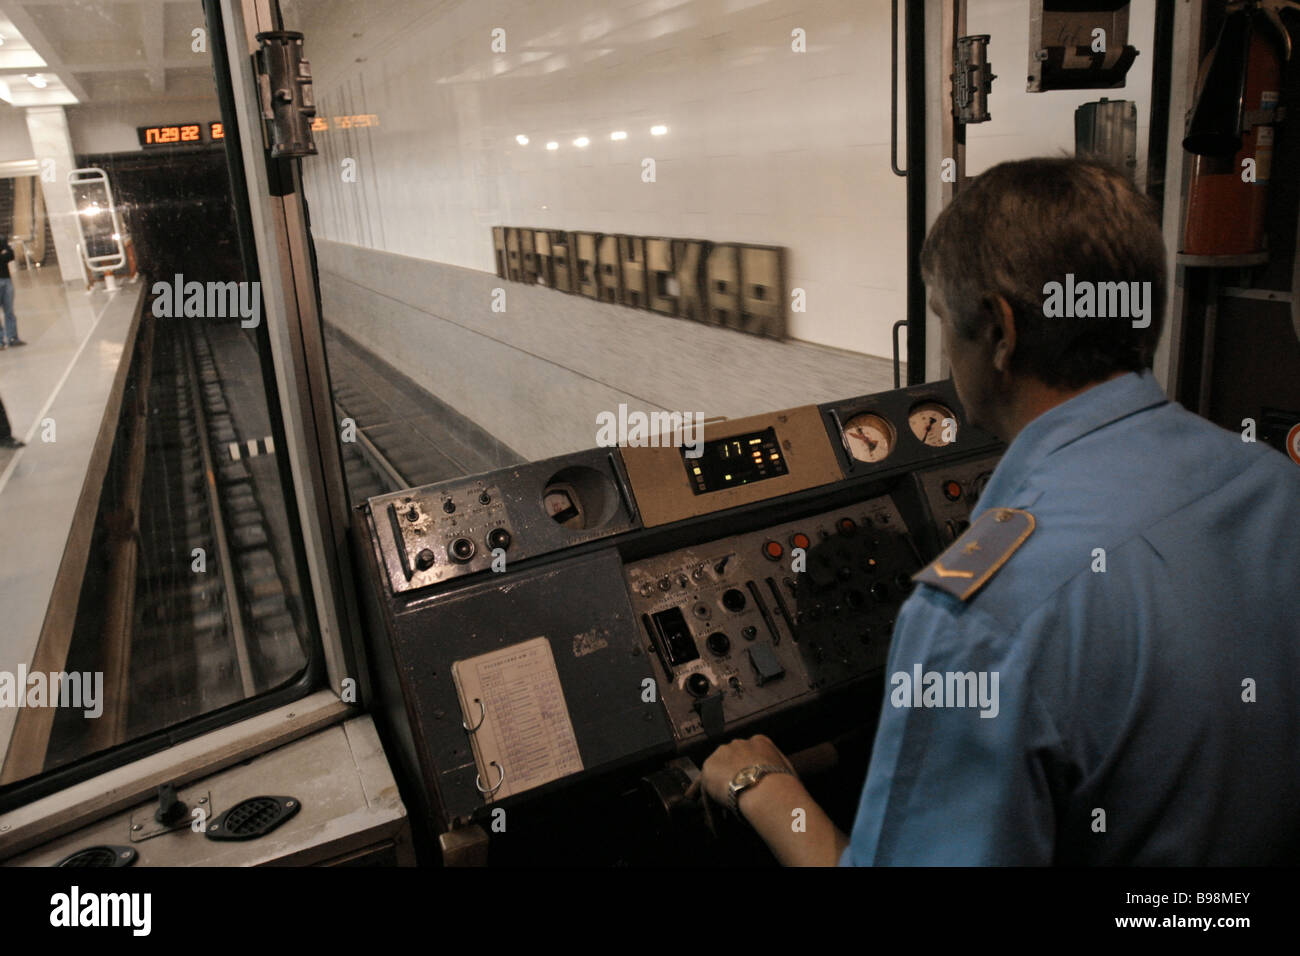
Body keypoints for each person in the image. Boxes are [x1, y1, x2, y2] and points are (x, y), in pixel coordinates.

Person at [692, 157, 1300, 866]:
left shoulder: (981, 617)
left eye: (946, 322)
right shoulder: (1272, 484)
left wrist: (763, 786)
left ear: (1002, 334)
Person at [0, 235, 25, 348]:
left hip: (6, 279)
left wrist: (4, 253)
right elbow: (4, 256)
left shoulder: (1, 238)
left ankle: (13, 338)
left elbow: (10, 255)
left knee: (9, 311)